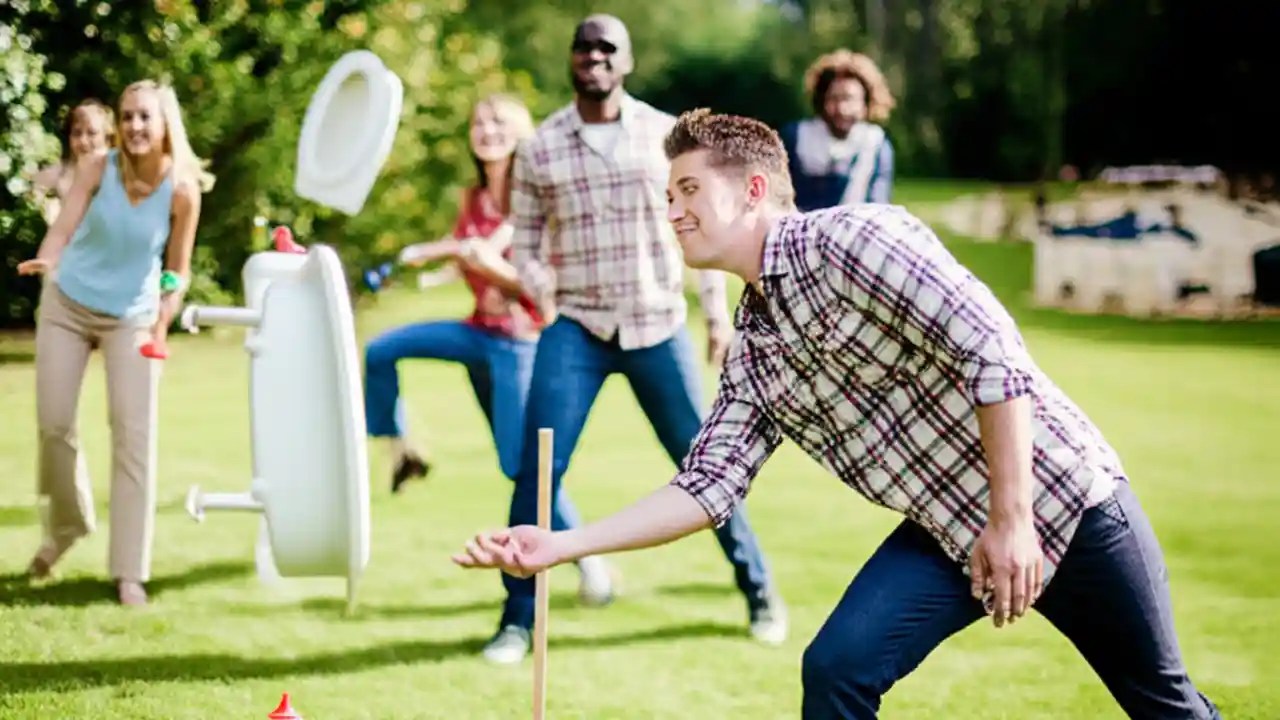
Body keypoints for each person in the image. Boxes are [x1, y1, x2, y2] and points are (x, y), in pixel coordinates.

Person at [453, 109, 1222, 720]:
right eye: (669, 197)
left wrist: (1012, 520)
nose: (672, 212)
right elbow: (707, 487)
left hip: (1063, 501)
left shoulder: (855, 240)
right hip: (949, 530)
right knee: (836, 669)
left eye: (687, 190)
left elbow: (993, 349)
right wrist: (562, 544)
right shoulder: (753, 350)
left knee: (1164, 707)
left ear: (753, 189)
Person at [477, 15, 784, 664]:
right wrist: (541, 287)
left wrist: (716, 317)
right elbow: (526, 240)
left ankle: (759, 592)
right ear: (571, 59)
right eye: (583, 48)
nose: (594, 57)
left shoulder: (664, 138)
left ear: (626, 60)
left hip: (657, 325)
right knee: (537, 473)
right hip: (578, 329)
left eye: (606, 48)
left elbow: (700, 226)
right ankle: (516, 621)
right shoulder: (541, 147)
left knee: (706, 468)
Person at [362, 93, 616, 605]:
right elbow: (468, 253)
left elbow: (534, 282)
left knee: (519, 468)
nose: (486, 129)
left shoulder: (537, 199)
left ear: (522, 132)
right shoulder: (474, 198)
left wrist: (493, 269)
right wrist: (434, 267)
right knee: (381, 350)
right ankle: (404, 448)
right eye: (479, 122)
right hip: (477, 332)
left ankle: (589, 561)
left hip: (518, 345)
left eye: (499, 121)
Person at [16, 80, 213, 606]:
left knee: (134, 439)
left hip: (132, 319)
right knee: (54, 424)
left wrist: (166, 309)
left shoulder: (182, 190)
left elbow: (177, 270)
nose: (134, 126)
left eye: (145, 116)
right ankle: (67, 526)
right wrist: (48, 257)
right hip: (68, 305)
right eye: (126, 116)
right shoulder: (97, 168)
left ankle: (129, 570)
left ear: (165, 124)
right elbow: (64, 227)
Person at [779, 49, 895, 211]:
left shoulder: (876, 145)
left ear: (865, 104)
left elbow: (879, 205)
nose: (842, 109)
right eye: (834, 98)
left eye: (849, 99)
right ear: (821, 101)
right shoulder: (795, 137)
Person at [29, 99, 116, 225]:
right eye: (77, 133)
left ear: (107, 137)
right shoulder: (59, 173)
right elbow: (32, 197)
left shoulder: (120, 174)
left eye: (92, 133)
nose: (83, 141)